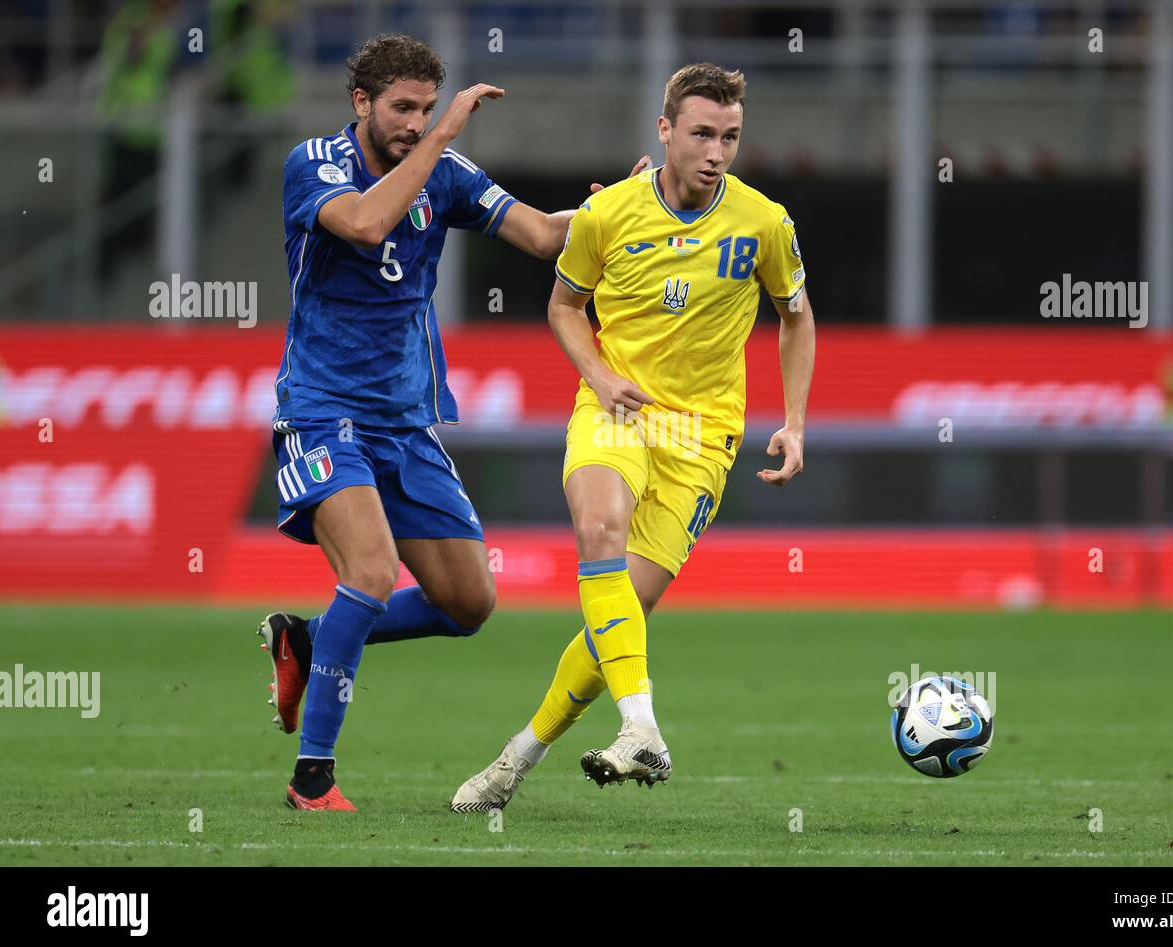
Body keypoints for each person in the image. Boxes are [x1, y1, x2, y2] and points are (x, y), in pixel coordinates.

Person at [260, 32, 645, 811]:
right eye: (401, 108)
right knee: (368, 576)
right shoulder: (316, 164)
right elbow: (367, 222)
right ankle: (313, 777)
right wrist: (440, 140)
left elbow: (541, 234)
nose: (415, 122)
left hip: (407, 422)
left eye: (426, 109)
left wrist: (615, 209)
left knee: (468, 603)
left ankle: (303, 638)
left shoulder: (447, 172)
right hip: (323, 412)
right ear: (361, 103)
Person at [451, 62, 816, 812]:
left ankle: (514, 762)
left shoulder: (763, 222)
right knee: (600, 529)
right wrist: (598, 373)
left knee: (616, 624)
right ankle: (642, 725)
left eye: (730, 137)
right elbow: (562, 307)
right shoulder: (607, 215)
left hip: (703, 436)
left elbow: (797, 316)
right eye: (702, 134)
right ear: (665, 131)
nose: (717, 151)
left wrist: (795, 423)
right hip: (615, 410)